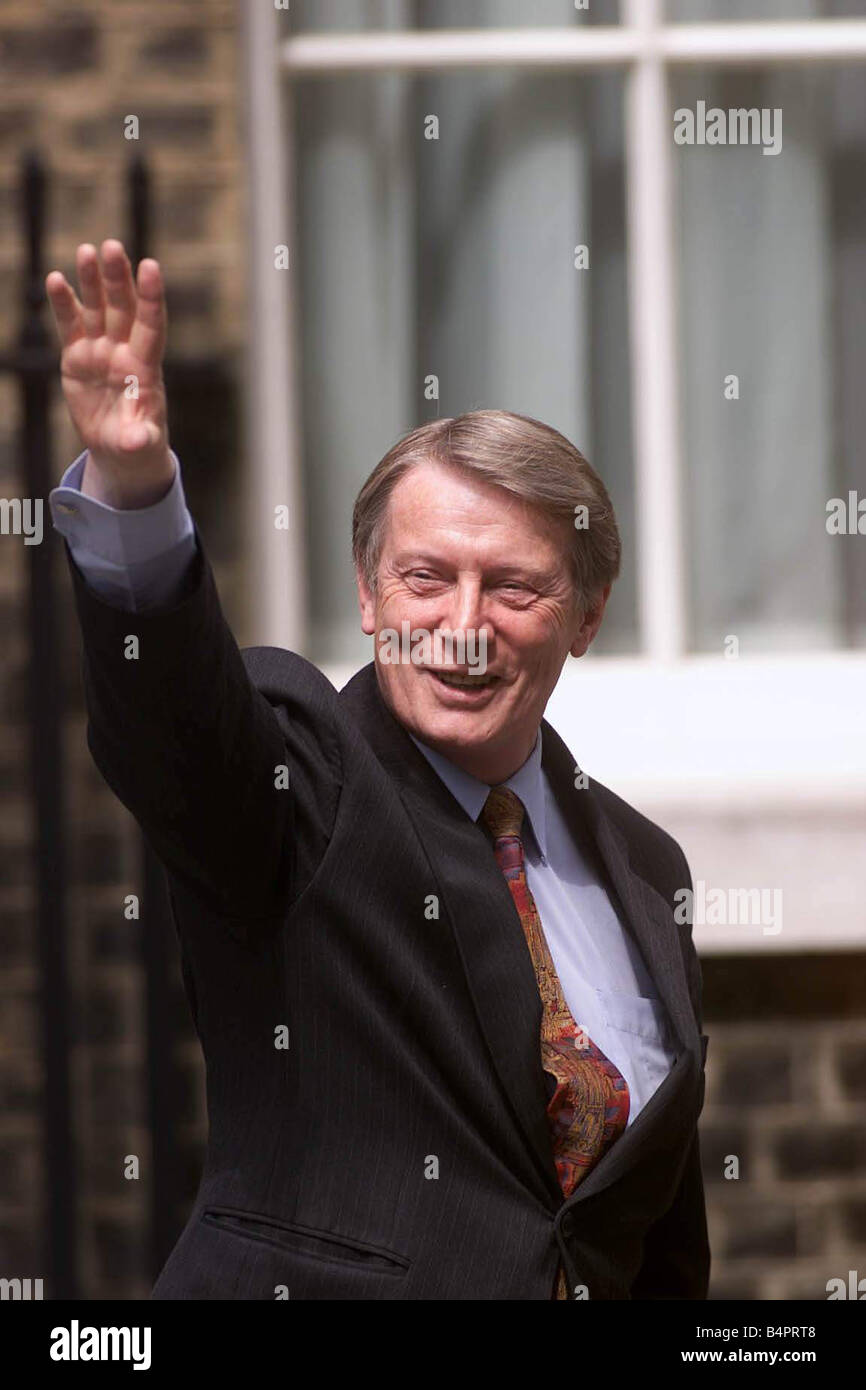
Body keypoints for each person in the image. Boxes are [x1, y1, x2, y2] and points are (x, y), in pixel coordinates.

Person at [46, 239, 710, 1301]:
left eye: (512, 588)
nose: (459, 628)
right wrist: (132, 491)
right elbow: (175, 733)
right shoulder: (302, 779)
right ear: (367, 599)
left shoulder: (640, 863)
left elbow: (651, 1230)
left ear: (584, 618)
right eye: (423, 578)